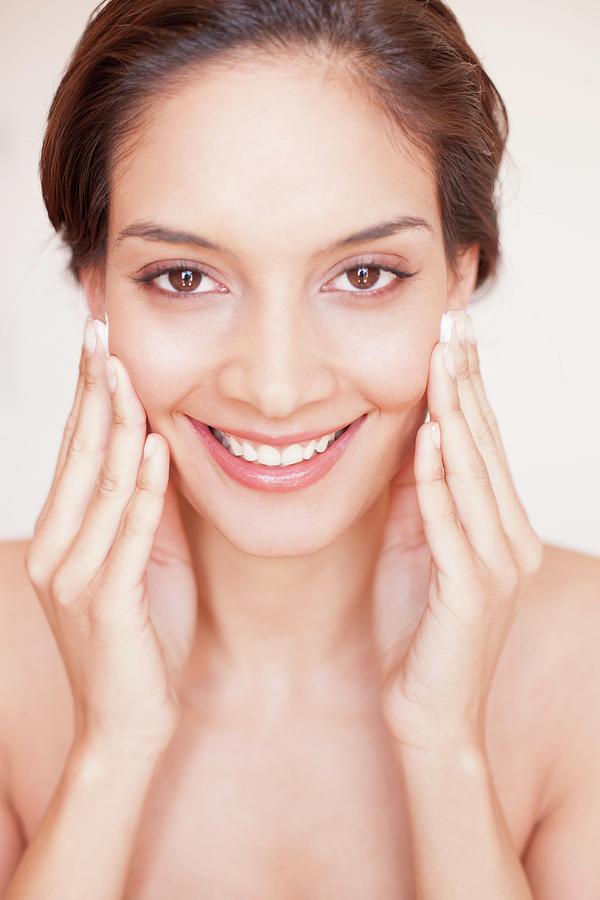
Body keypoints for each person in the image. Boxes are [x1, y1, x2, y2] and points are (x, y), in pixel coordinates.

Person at [1, 0, 599, 897]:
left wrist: (447, 750)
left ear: (460, 274)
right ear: (96, 288)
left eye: (363, 276)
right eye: (184, 277)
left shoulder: (584, 666)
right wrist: (107, 754)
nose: (275, 387)